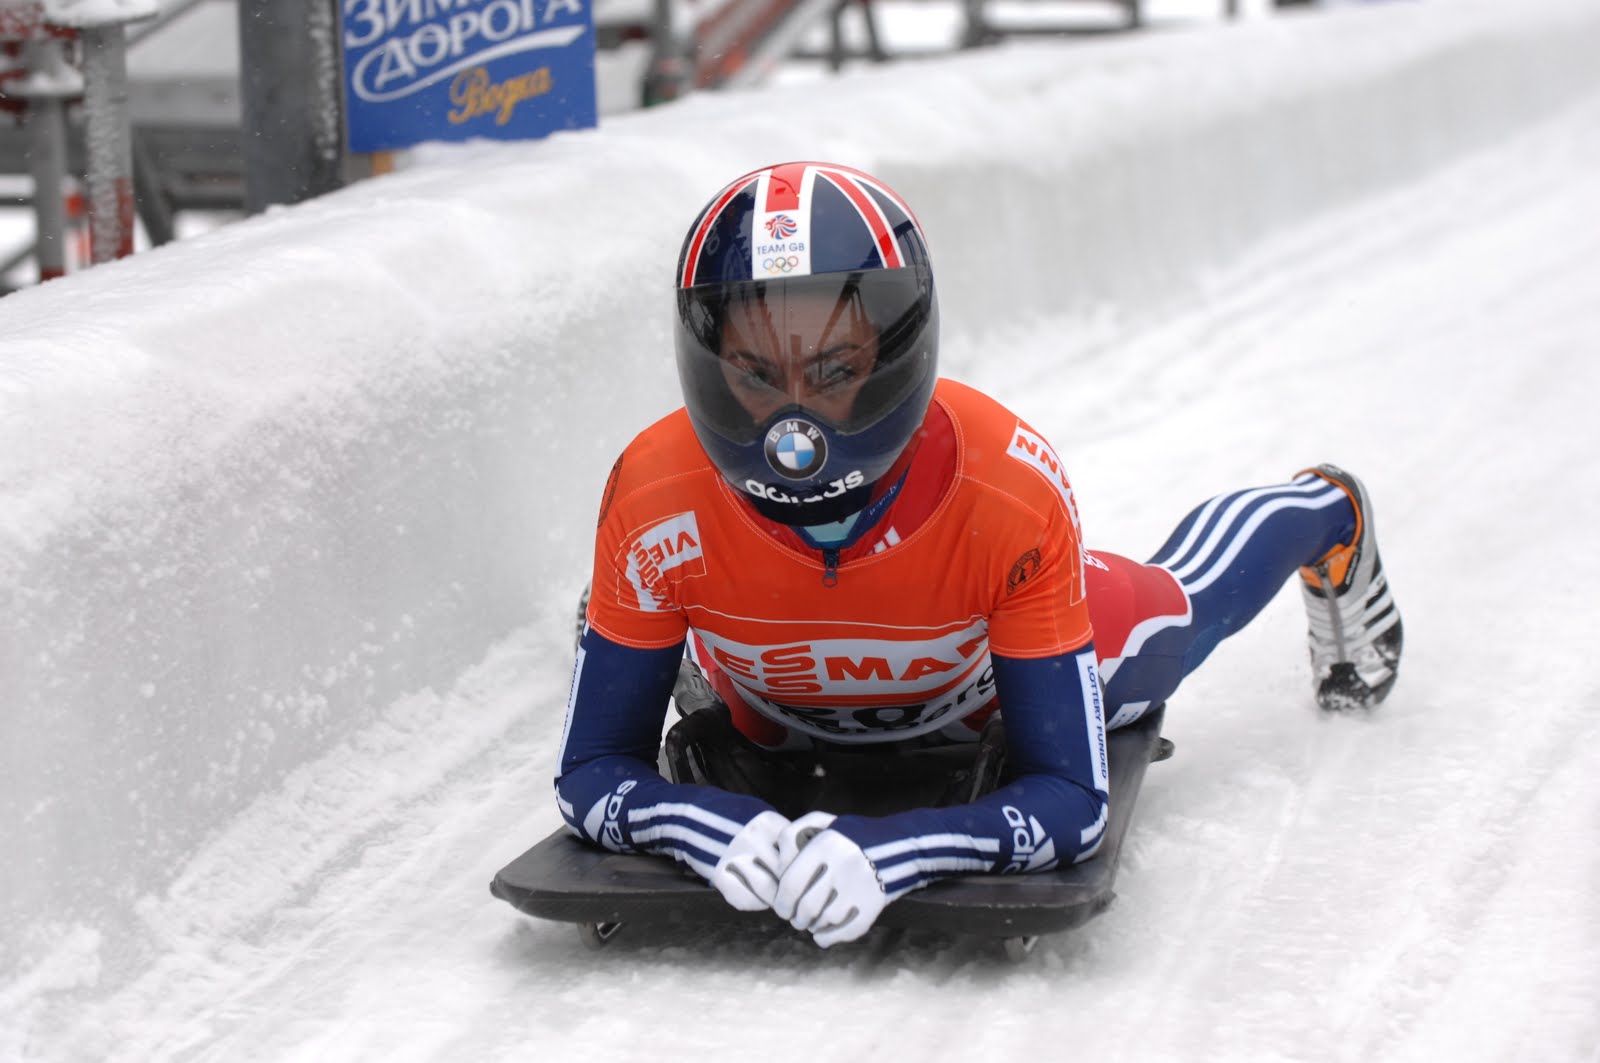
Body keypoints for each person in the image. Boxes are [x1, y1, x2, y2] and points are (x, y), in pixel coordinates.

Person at [555, 162, 1403, 948]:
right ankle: (636, 624)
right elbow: (589, 769)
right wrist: (700, 826)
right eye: (755, 372)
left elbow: (1072, 801)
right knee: (650, 586)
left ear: (896, 352)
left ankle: (1330, 509)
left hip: (983, 689)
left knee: (1182, 605)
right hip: (768, 695)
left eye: (833, 369)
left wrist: (897, 850)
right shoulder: (653, 491)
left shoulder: (1006, 490)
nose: (794, 426)